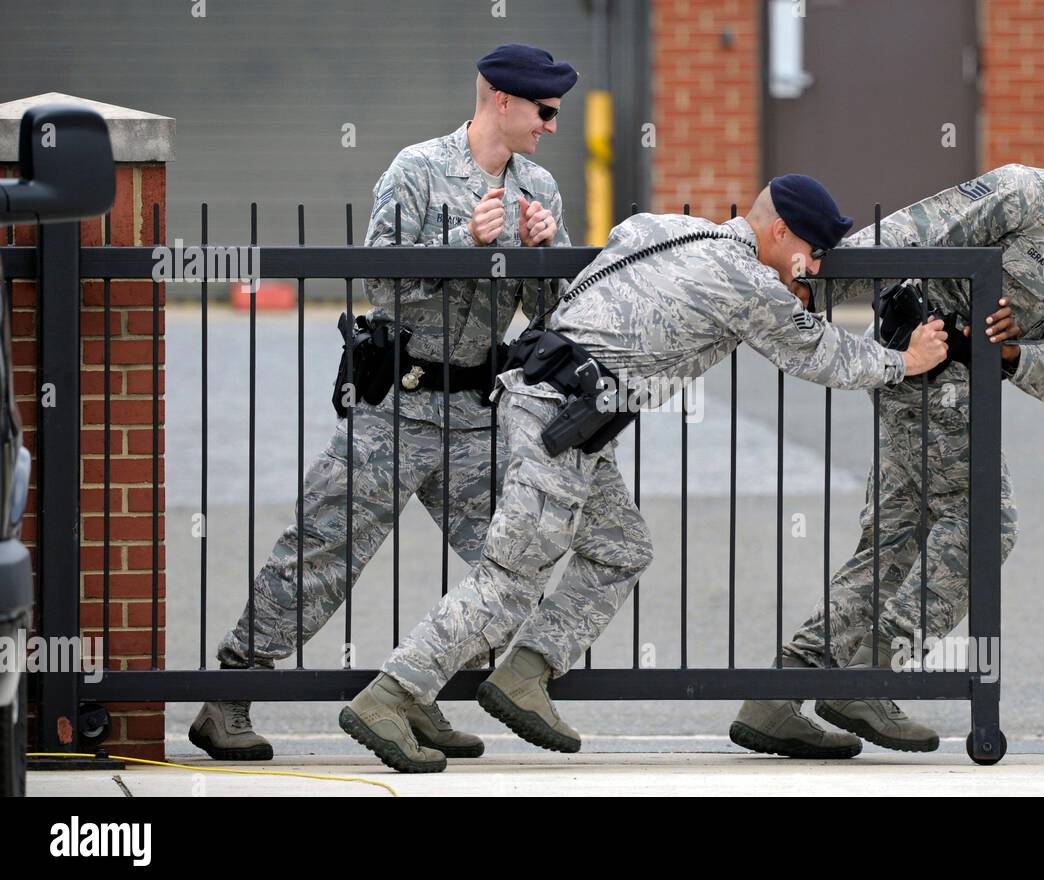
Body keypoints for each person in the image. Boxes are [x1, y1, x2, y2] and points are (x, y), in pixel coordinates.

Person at [337, 174, 952, 772]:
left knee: (620, 549)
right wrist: (906, 359)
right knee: (513, 573)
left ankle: (525, 672)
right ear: (781, 231)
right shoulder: (744, 279)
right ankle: (392, 696)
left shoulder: (665, 227)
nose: (815, 269)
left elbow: (598, 285)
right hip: (559, 415)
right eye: (813, 254)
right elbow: (819, 353)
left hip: (562, 411)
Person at [729, 147, 1044, 759]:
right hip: (924, 358)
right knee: (988, 521)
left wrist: (1016, 357)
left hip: (969, 381)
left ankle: (784, 690)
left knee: (896, 537)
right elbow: (910, 236)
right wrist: (805, 284)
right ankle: (871, 676)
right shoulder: (1030, 196)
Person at [188, 44, 577, 765]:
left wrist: (548, 257)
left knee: (514, 561)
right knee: (321, 550)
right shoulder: (417, 170)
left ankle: (417, 695)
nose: (551, 126)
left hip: (476, 413)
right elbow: (379, 283)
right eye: (544, 111)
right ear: (500, 99)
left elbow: (550, 317)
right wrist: (466, 241)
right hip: (397, 405)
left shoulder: (540, 188)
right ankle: (227, 698)